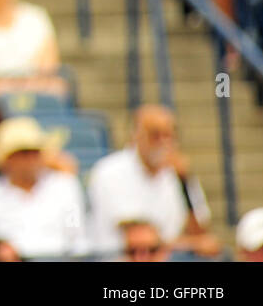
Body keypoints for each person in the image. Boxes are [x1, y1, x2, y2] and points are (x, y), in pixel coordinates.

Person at [87, 105, 220, 258]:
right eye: (155, 135)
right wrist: (189, 244)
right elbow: (139, 242)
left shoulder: (178, 173)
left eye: (169, 136)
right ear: (136, 136)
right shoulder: (108, 172)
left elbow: (202, 236)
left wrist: (184, 183)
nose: (164, 143)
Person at [0, 116, 87, 258]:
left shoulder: (65, 187)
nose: (31, 159)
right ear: (6, 159)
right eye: (23, 153)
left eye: (35, 152)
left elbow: (76, 234)